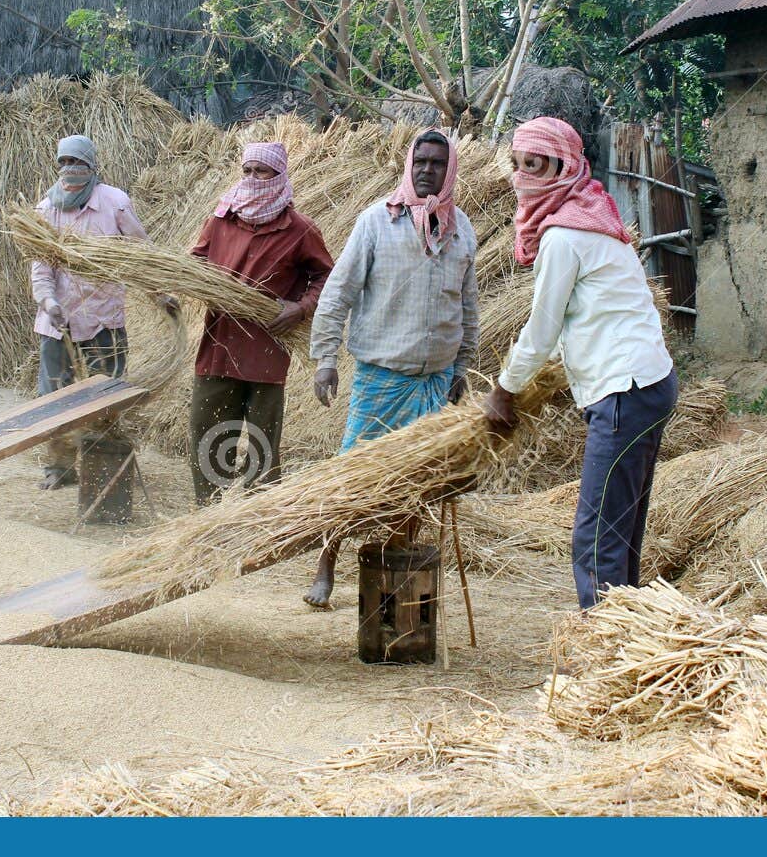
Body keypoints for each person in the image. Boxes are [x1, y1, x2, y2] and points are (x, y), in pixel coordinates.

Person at [482, 117, 678, 609]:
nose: (525, 175)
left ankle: (604, 652)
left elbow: (543, 329)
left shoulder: (564, 235)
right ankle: (631, 632)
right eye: (519, 164)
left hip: (623, 391)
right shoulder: (590, 214)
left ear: (564, 166)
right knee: (622, 526)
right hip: (648, 382)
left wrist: (504, 390)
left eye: (538, 164)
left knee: (594, 540)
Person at [303, 130, 480, 607]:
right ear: (409, 165)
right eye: (419, 161)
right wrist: (325, 359)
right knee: (350, 476)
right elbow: (338, 292)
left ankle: (396, 562)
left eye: (437, 164)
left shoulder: (461, 229)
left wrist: (461, 367)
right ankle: (326, 564)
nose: (427, 170)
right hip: (381, 378)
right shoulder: (377, 222)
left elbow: (467, 306)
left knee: (417, 481)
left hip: (436, 382)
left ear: (450, 171)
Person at [189, 142, 333, 504]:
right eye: (247, 170)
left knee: (261, 441)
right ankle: (209, 513)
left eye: (262, 171)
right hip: (219, 343)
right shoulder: (222, 219)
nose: (252, 178)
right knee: (207, 431)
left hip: (266, 350)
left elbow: (327, 277)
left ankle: (258, 516)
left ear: (279, 176)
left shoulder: (299, 230)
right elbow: (195, 262)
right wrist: (200, 282)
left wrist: (300, 308)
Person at [31, 133, 172, 489]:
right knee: (54, 395)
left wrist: (160, 293)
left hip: (103, 320)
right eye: (63, 162)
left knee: (105, 398)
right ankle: (59, 468)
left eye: (77, 162)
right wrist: (49, 303)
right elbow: (41, 268)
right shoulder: (46, 210)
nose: (69, 169)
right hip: (56, 324)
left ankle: (103, 472)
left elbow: (142, 255)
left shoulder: (114, 203)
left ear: (92, 166)